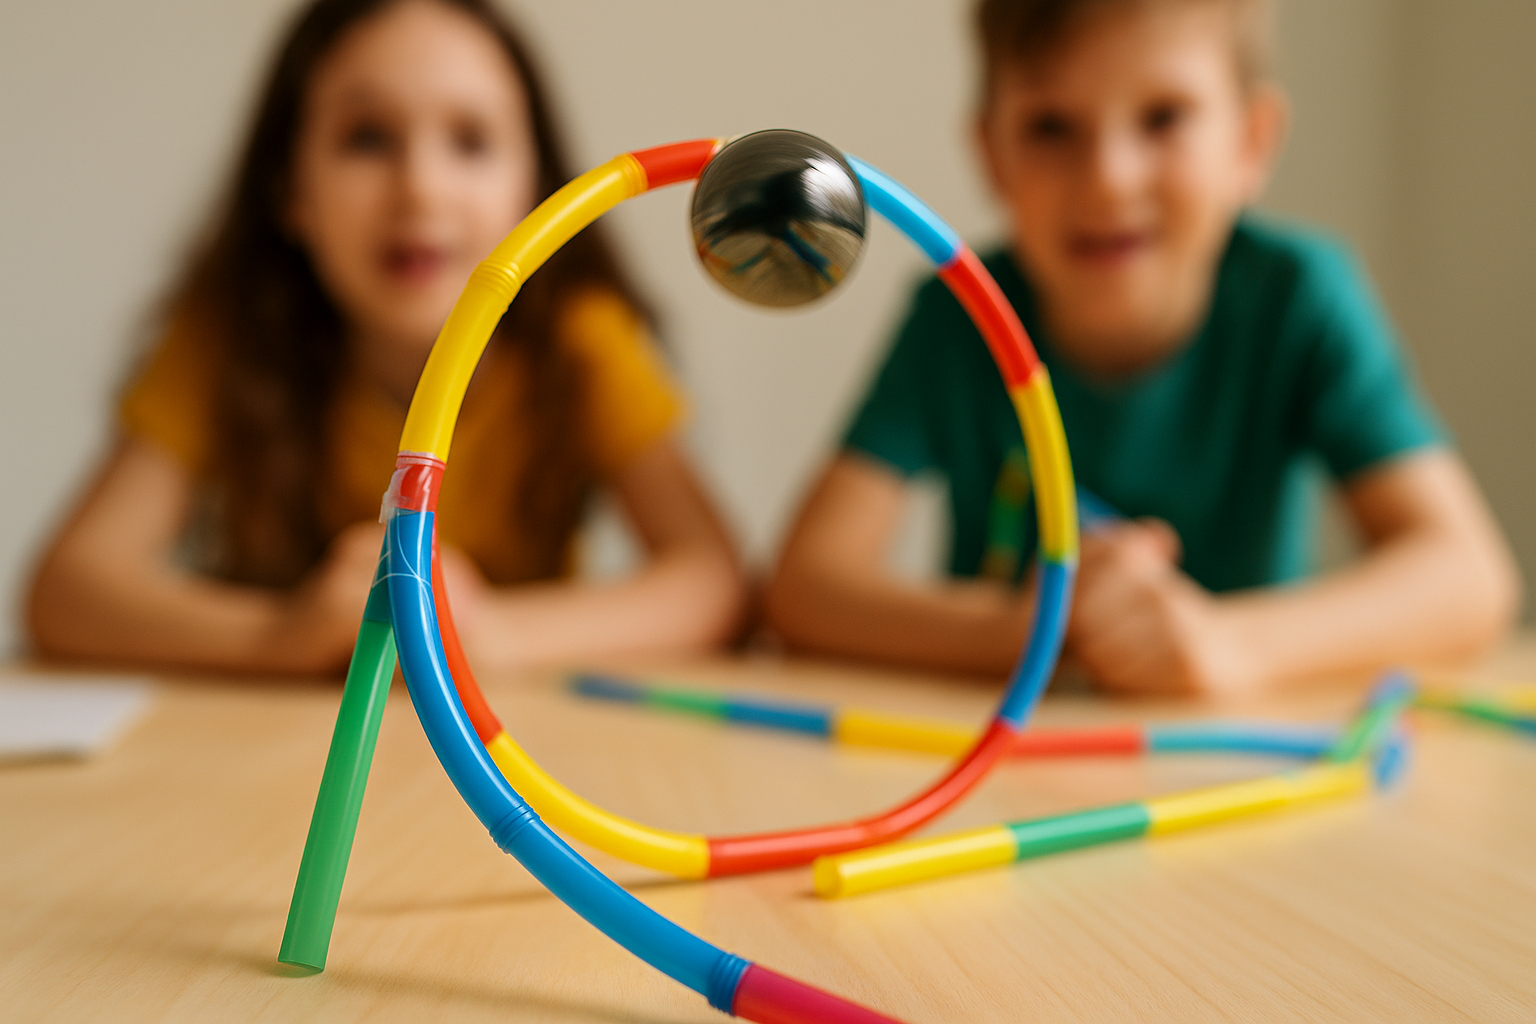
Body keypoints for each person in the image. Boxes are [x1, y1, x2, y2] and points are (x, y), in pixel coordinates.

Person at [766, 0, 1520, 695]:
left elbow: (1471, 578)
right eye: (1052, 127)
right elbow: (805, 585)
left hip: (1229, 765)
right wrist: (1030, 633)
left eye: (1163, 118)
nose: (1108, 180)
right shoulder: (955, 319)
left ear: (1251, 142)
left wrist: (1235, 645)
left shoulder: (1300, 301)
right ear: (991, 153)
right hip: (1007, 764)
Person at [26, 0, 746, 676]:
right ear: (290, 190)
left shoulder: (578, 341)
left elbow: (715, 580)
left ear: (536, 190)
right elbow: (66, 589)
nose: (421, 189)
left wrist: (498, 634)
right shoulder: (233, 333)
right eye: (367, 138)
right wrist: (278, 635)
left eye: (471, 141)